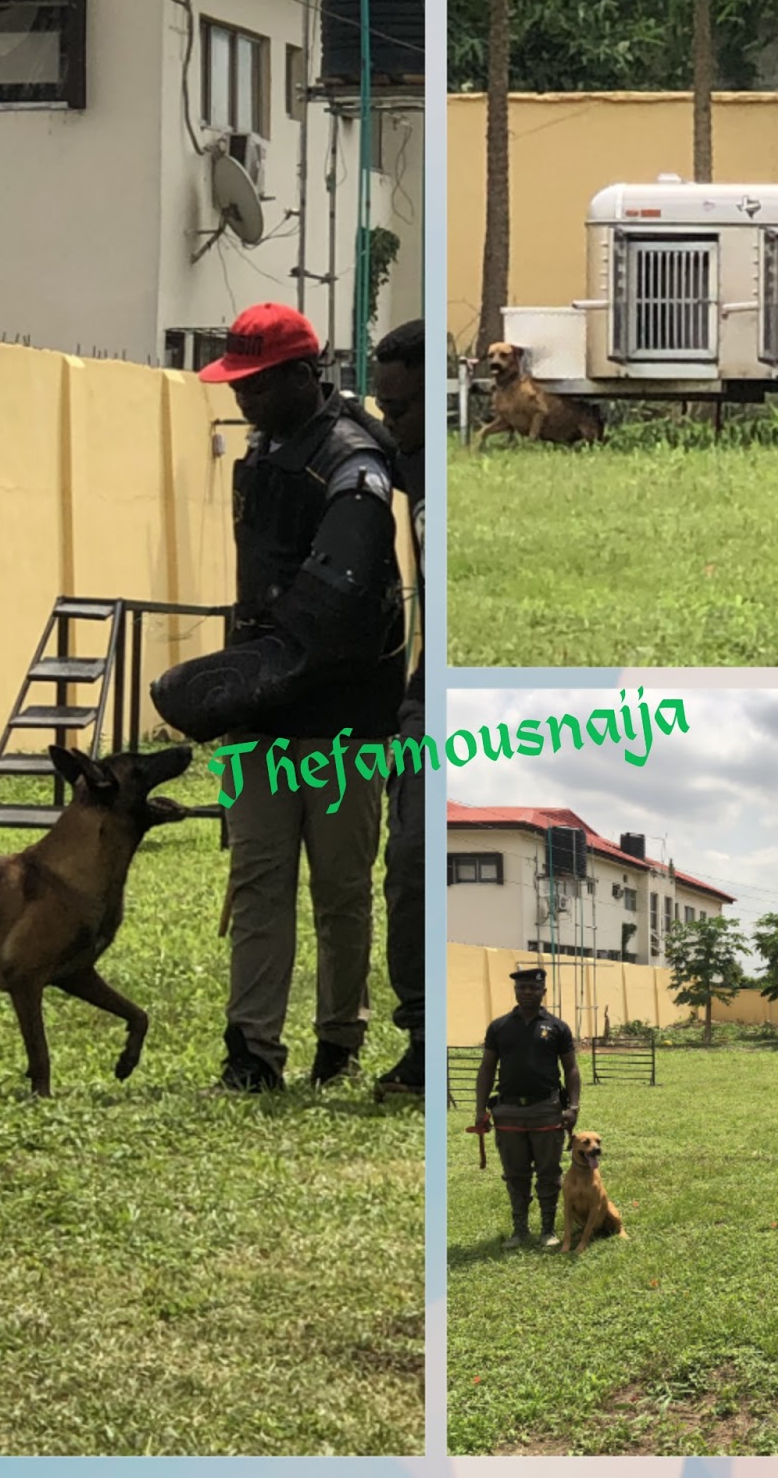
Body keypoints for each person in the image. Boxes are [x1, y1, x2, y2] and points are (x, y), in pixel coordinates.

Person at [149, 302, 405, 1093]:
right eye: (238, 385)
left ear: (303, 375)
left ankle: (340, 1041)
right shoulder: (267, 447)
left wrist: (245, 677)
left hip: (341, 722)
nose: (244, 400)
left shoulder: (355, 465)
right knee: (258, 883)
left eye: (258, 385)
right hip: (264, 718)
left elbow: (335, 606)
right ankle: (251, 1052)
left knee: (339, 890)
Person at [366, 319, 425, 1098]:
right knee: (407, 862)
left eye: (402, 409)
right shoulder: (394, 462)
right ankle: (419, 1039)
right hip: (424, 694)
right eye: (384, 408)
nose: (391, 426)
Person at [474, 966, 581, 1249]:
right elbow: (487, 1068)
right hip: (508, 1110)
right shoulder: (499, 1027)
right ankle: (520, 1230)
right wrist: (479, 1109)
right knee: (515, 1173)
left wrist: (573, 1106)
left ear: (543, 991)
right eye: (522, 988)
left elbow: (571, 1069)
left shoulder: (557, 1027)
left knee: (548, 1172)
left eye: (534, 988)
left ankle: (547, 1229)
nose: (528, 992)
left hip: (546, 1108)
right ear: (515, 991)